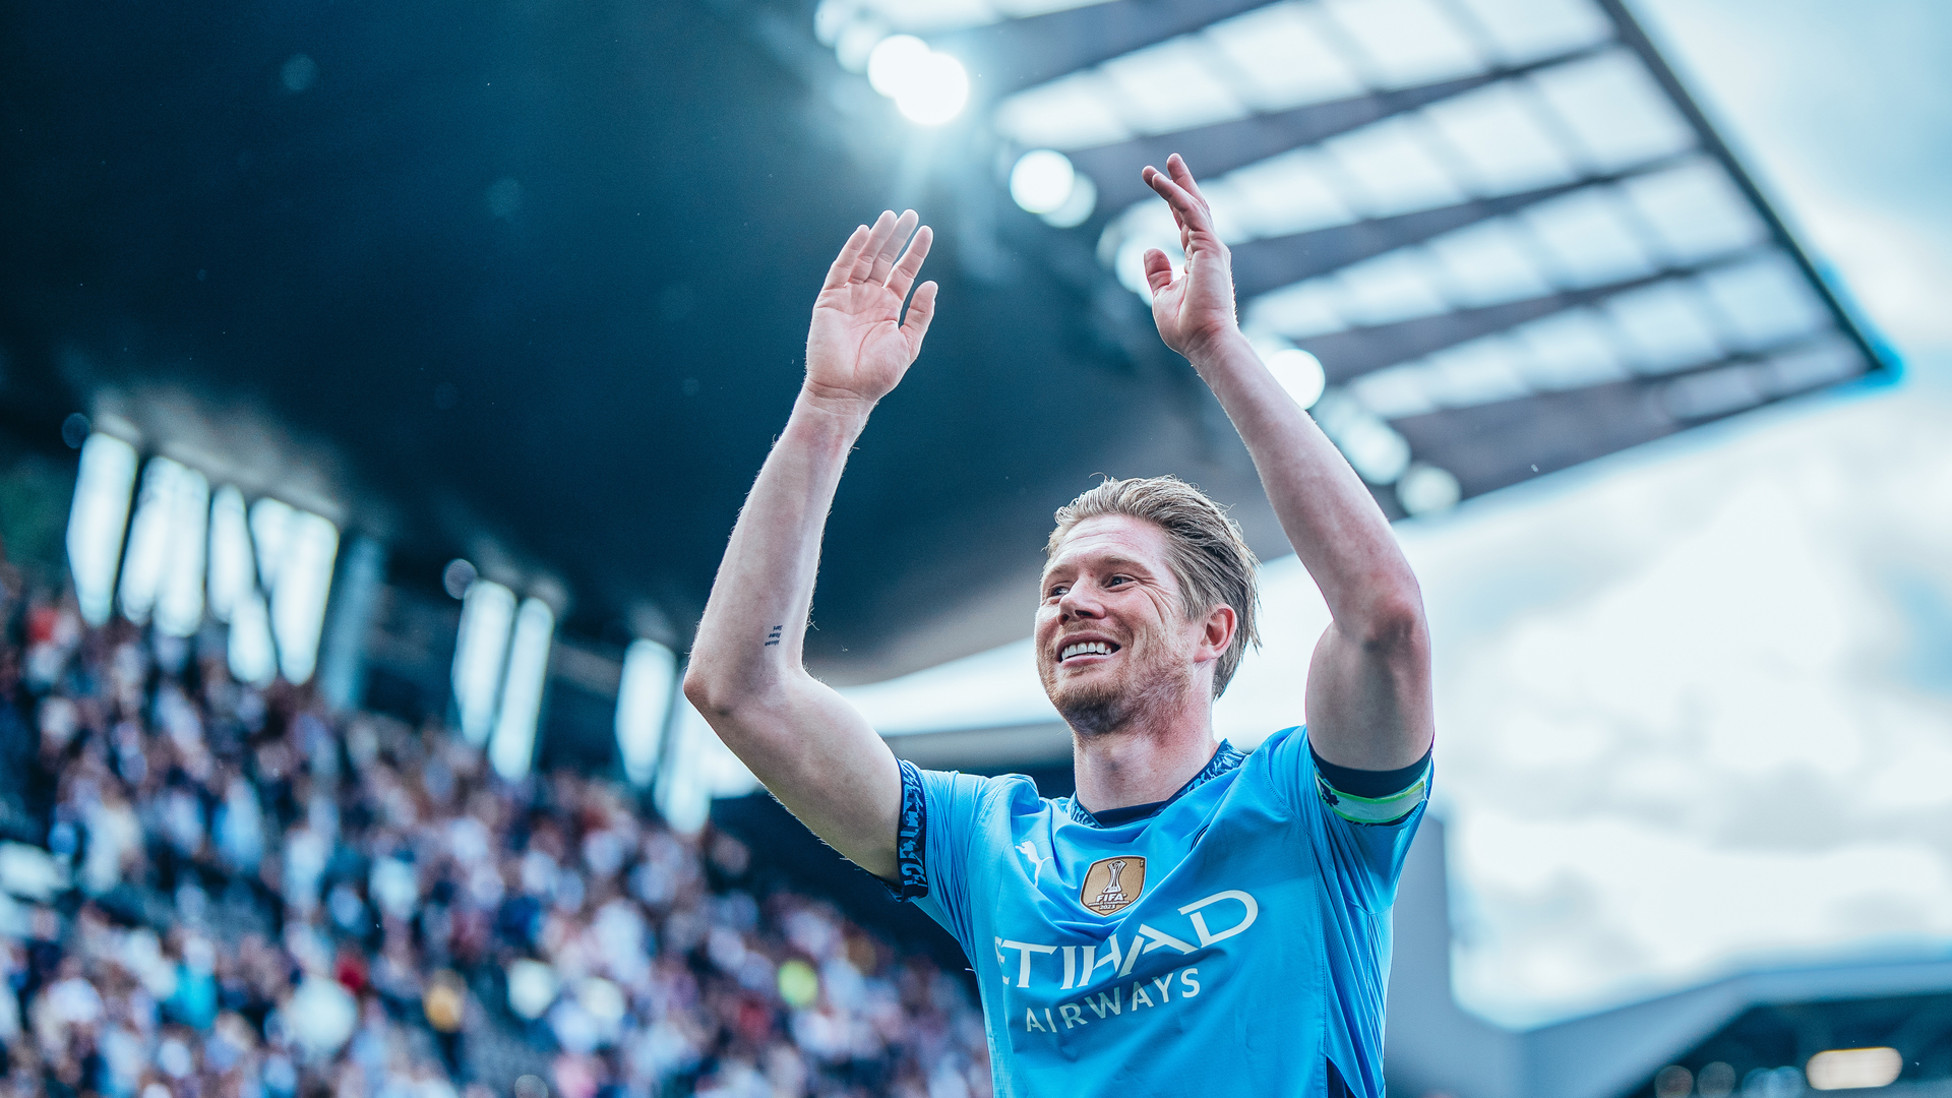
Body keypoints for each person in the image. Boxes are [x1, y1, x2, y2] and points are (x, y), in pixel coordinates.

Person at [684, 154, 1435, 1097]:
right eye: (1056, 588)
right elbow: (740, 689)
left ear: (1212, 633)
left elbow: (1384, 619)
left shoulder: (1305, 810)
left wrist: (1217, 347)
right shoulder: (983, 845)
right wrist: (828, 410)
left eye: (1119, 579)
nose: (1074, 602)